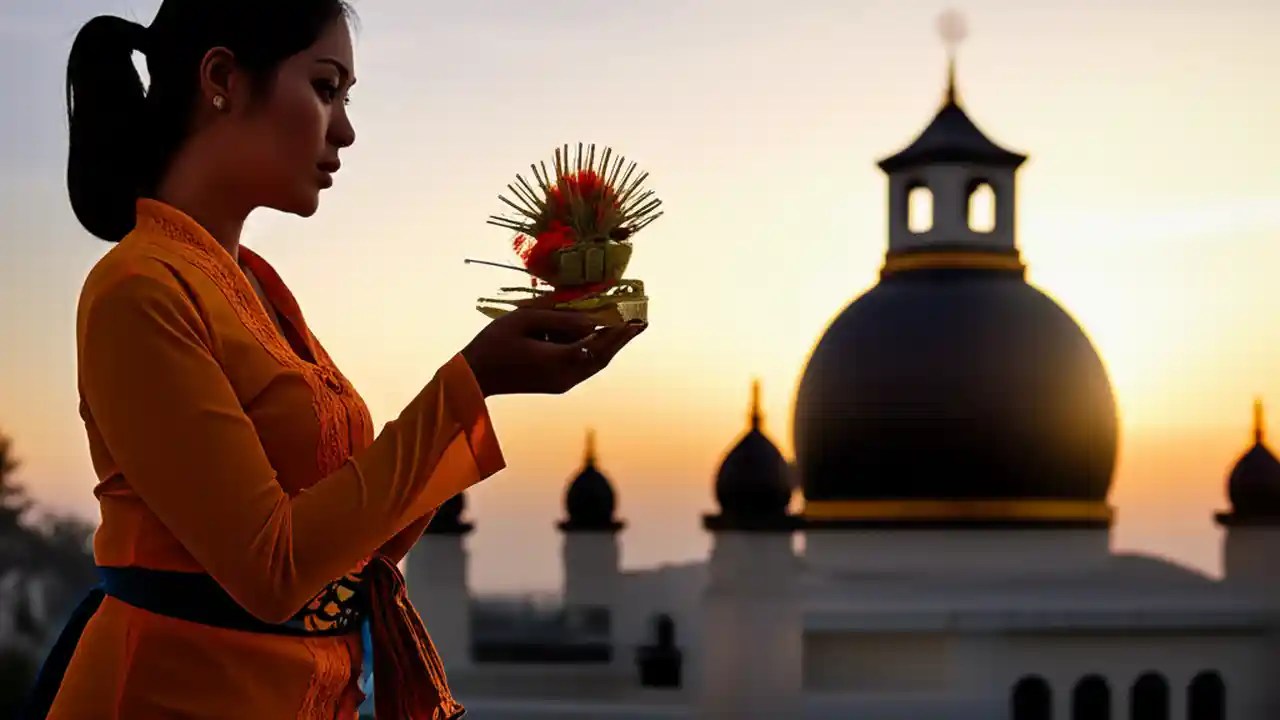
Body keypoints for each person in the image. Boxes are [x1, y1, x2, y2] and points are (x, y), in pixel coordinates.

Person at [21, 2, 646, 718]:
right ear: (222, 78)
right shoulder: (137, 291)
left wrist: (489, 389)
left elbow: (352, 542)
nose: (345, 130)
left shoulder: (256, 286)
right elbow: (273, 567)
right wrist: (470, 382)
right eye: (325, 89)